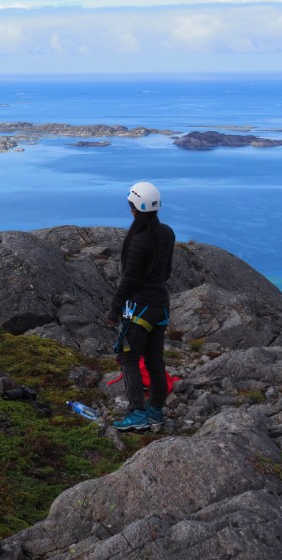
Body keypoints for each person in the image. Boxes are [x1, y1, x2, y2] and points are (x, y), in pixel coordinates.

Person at [107, 181, 176, 432]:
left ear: (134, 207)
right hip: (160, 306)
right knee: (155, 362)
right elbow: (166, 271)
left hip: (139, 309)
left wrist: (115, 310)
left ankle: (137, 413)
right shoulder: (167, 233)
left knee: (129, 359)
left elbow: (130, 280)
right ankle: (156, 412)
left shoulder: (138, 240)